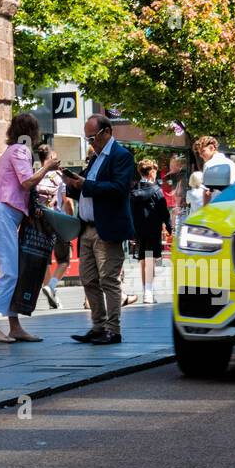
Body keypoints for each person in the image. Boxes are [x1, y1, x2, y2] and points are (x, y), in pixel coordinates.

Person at [0, 113, 59, 343]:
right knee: (9, 272)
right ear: (31, 132)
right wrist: (46, 167)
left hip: (3, 214)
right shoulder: (20, 150)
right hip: (3, 213)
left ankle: (14, 325)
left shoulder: (14, 151)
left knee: (12, 271)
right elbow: (26, 182)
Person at [63, 113, 137, 345]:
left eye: (93, 137)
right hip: (87, 228)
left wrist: (86, 184)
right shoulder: (95, 158)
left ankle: (113, 330)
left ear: (107, 132)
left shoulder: (121, 156)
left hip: (107, 228)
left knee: (108, 280)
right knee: (88, 279)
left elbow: (118, 188)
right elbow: (87, 189)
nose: (91, 142)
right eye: (87, 139)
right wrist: (73, 185)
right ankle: (98, 326)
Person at [34, 144, 73, 310]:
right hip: (57, 221)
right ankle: (52, 286)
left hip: (39, 222)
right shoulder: (59, 176)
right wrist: (70, 221)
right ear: (50, 158)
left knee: (45, 260)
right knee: (64, 259)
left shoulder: (35, 175)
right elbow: (68, 201)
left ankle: (52, 295)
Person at [130, 159, 173, 304]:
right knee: (150, 260)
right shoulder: (156, 190)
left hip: (138, 230)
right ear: (152, 172)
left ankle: (145, 290)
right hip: (153, 229)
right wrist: (169, 227)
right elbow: (163, 211)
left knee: (143, 259)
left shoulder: (133, 189)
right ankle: (149, 292)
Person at [193, 135, 235, 200]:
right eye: (199, 153)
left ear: (211, 148)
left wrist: (205, 209)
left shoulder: (210, 164)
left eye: (203, 151)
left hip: (219, 205)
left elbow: (207, 192)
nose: (200, 155)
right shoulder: (231, 163)